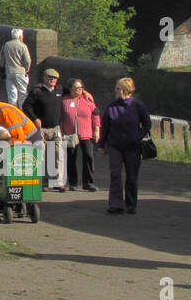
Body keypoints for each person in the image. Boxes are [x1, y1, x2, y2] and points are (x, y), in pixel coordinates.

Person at [98, 77, 151, 215]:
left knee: (132, 176)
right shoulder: (111, 107)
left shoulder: (138, 106)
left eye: (118, 88)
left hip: (132, 147)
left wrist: (138, 136)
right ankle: (116, 204)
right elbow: (105, 127)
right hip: (115, 146)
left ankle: (131, 205)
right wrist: (102, 144)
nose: (116, 90)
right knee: (115, 174)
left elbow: (147, 123)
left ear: (126, 90)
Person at [24, 67, 66, 190]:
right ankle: (41, 181)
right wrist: (35, 118)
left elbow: (74, 89)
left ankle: (57, 182)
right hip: (41, 129)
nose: (52, 80)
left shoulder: (59, 90)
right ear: (45, 77)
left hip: (55, 128)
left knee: (58, 154)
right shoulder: (37, 91)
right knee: (40, 154)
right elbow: (26, 106)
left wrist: (84, 92)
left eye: (54, 78)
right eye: (50, 77)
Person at [61, 79, 100, 191]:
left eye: (81, 88)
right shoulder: (64, 100)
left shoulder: (87, 100)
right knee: (71, 158)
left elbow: (96, 114)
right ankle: (73, 182)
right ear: (70, 89)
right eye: (77, 88)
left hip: (86, 134)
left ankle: (88, 182)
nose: (80, 90)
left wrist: (97, 130)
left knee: (88, 156)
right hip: (70, 134)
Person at [0, 28, 31, 106]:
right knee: (22, 94)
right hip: (20, 72)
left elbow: (1, 59)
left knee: (12, 96)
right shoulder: (23, 46)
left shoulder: (6, 45)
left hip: (9, 72)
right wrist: (27, 67)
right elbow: (27, 60)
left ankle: (12, 112)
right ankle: (21, 113)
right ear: (20, 36)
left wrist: (2, 68)